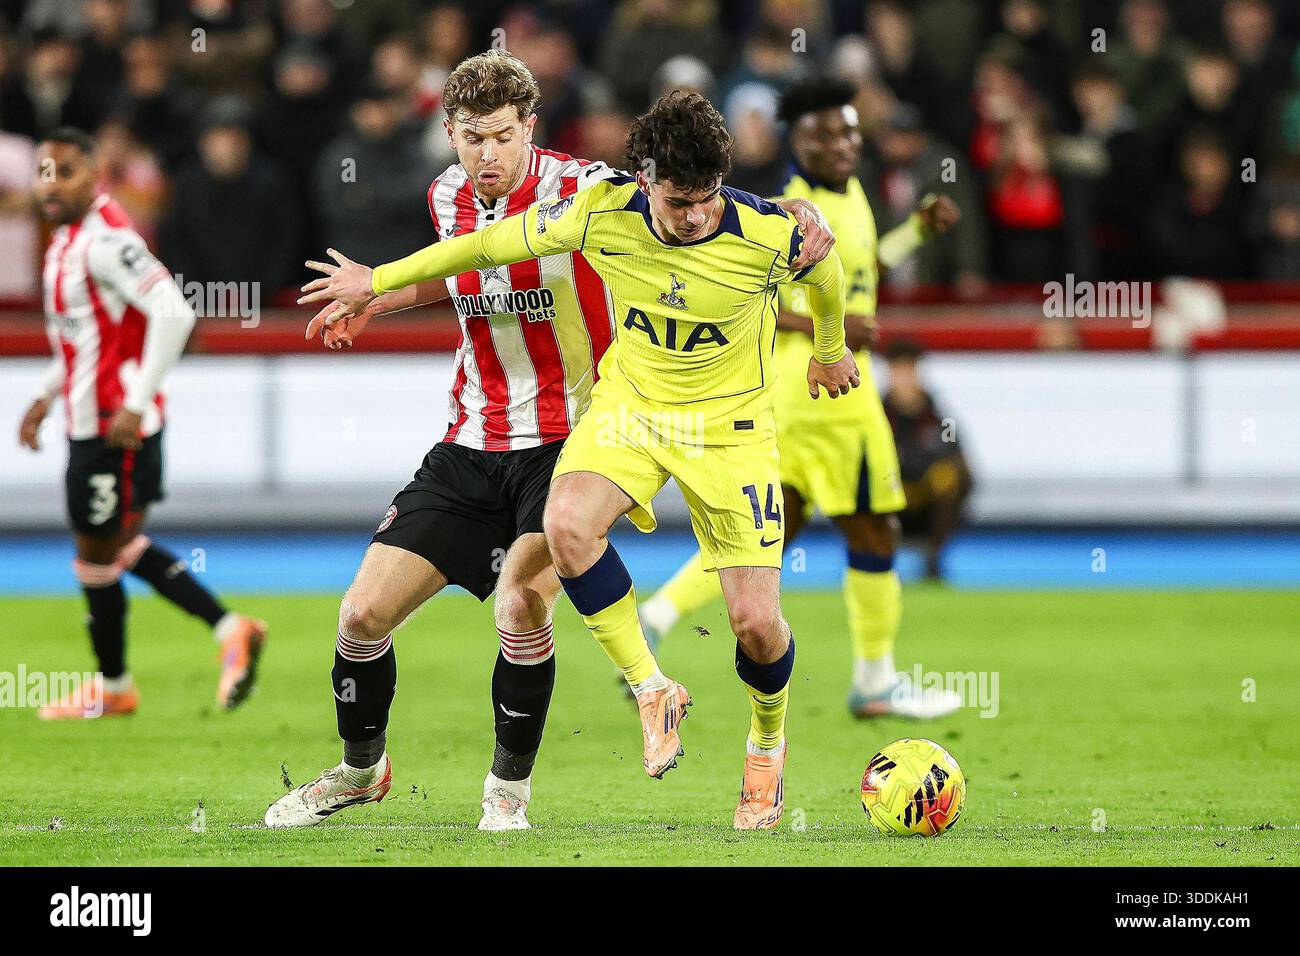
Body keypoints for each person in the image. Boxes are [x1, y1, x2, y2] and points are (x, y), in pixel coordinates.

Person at [266, 53, 838, 832]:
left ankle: (511, 793)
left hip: (577, 426)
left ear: (530, 128)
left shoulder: (583, 192)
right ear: (450, 134)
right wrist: (383, 295)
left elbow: (695, 187)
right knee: (362, 615)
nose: (489, 155)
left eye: (503, 137)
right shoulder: (447, 197)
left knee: (528, 606)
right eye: (473, 139)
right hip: (476, 435)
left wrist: (797, 214)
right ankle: (362, 772)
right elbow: (472, 262)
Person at [639, 79, 963, 720]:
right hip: (829, 393)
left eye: (847, 130)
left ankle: (658, 613)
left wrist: (916, 234)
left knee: (769, 534)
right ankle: (875, 681)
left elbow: (864, 262)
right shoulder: (793, 210)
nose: (841, 144)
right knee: (873, 526)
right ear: (796, 142)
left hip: (797, 395)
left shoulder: (850, 197)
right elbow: (765, 296)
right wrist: (833, 326)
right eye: (823, 135)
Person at [16, 127, 267, 720]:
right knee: (116, 544)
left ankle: (116, 686)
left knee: (96, 552)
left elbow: (175, 313)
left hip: (114, 426)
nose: (52, 185)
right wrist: (45, 394)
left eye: (67, 172)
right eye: (44, 172)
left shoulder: (107, 241)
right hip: (93, 417)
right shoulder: (65, 241)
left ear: (96, 172)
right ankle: (228, 628)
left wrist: (136, 400)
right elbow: (86, 341)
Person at [882, 340, 973, 581]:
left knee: (950, 476)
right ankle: (873, 558)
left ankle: (933, 555)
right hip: (886, 504)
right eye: (897, 371)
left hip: (928, 506)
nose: (904, 379)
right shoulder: (876, 418)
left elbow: (960, 465)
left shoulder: (938, 420)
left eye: (909, 371)